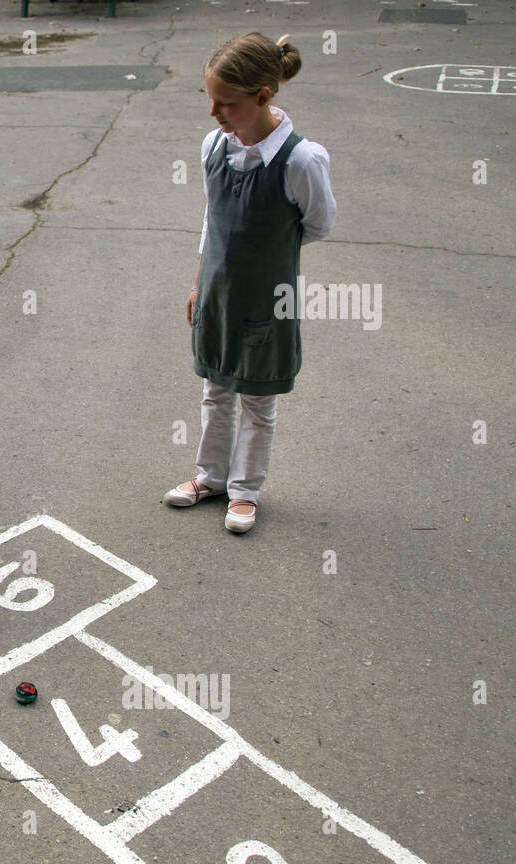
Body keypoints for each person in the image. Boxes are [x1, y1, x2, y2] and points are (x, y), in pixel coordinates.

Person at [164, 32, 336, 534]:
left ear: (263, 97)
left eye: (227, 103)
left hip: (267, 299)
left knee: (258, 400)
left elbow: (319, 223)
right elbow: (211, 217)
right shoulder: (214, 146)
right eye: (210, 100)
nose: (214, 113)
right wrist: (200, 281)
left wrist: (267, 254)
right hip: (218, 294)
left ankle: (245, 491)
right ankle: (211, 476)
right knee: (215, 390)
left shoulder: (301, 160)